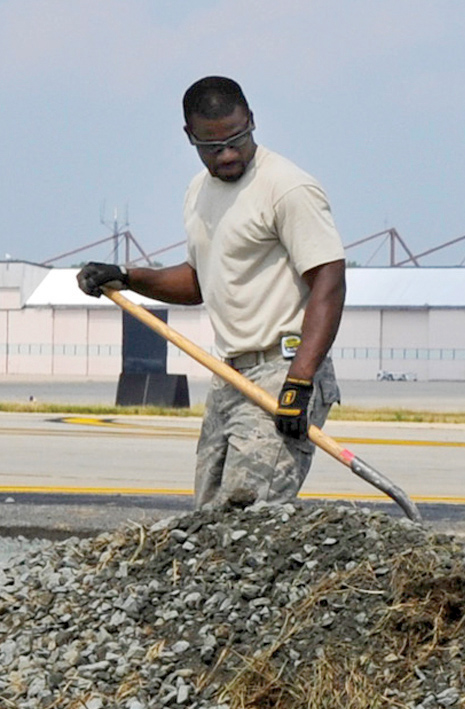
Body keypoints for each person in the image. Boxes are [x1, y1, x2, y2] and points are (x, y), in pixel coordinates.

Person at [77, 75, 346, 509]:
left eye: (237, 139)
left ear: (252, 121)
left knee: (245, 518)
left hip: (284, 370)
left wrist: (299, 381)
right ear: (190, 137)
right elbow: (199, 282)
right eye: (212, 146)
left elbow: (329, 280)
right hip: (231, 376)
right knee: (207, 519)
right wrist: (126, 276)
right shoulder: (198, 194)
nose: (227, 154)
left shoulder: (287, 187)